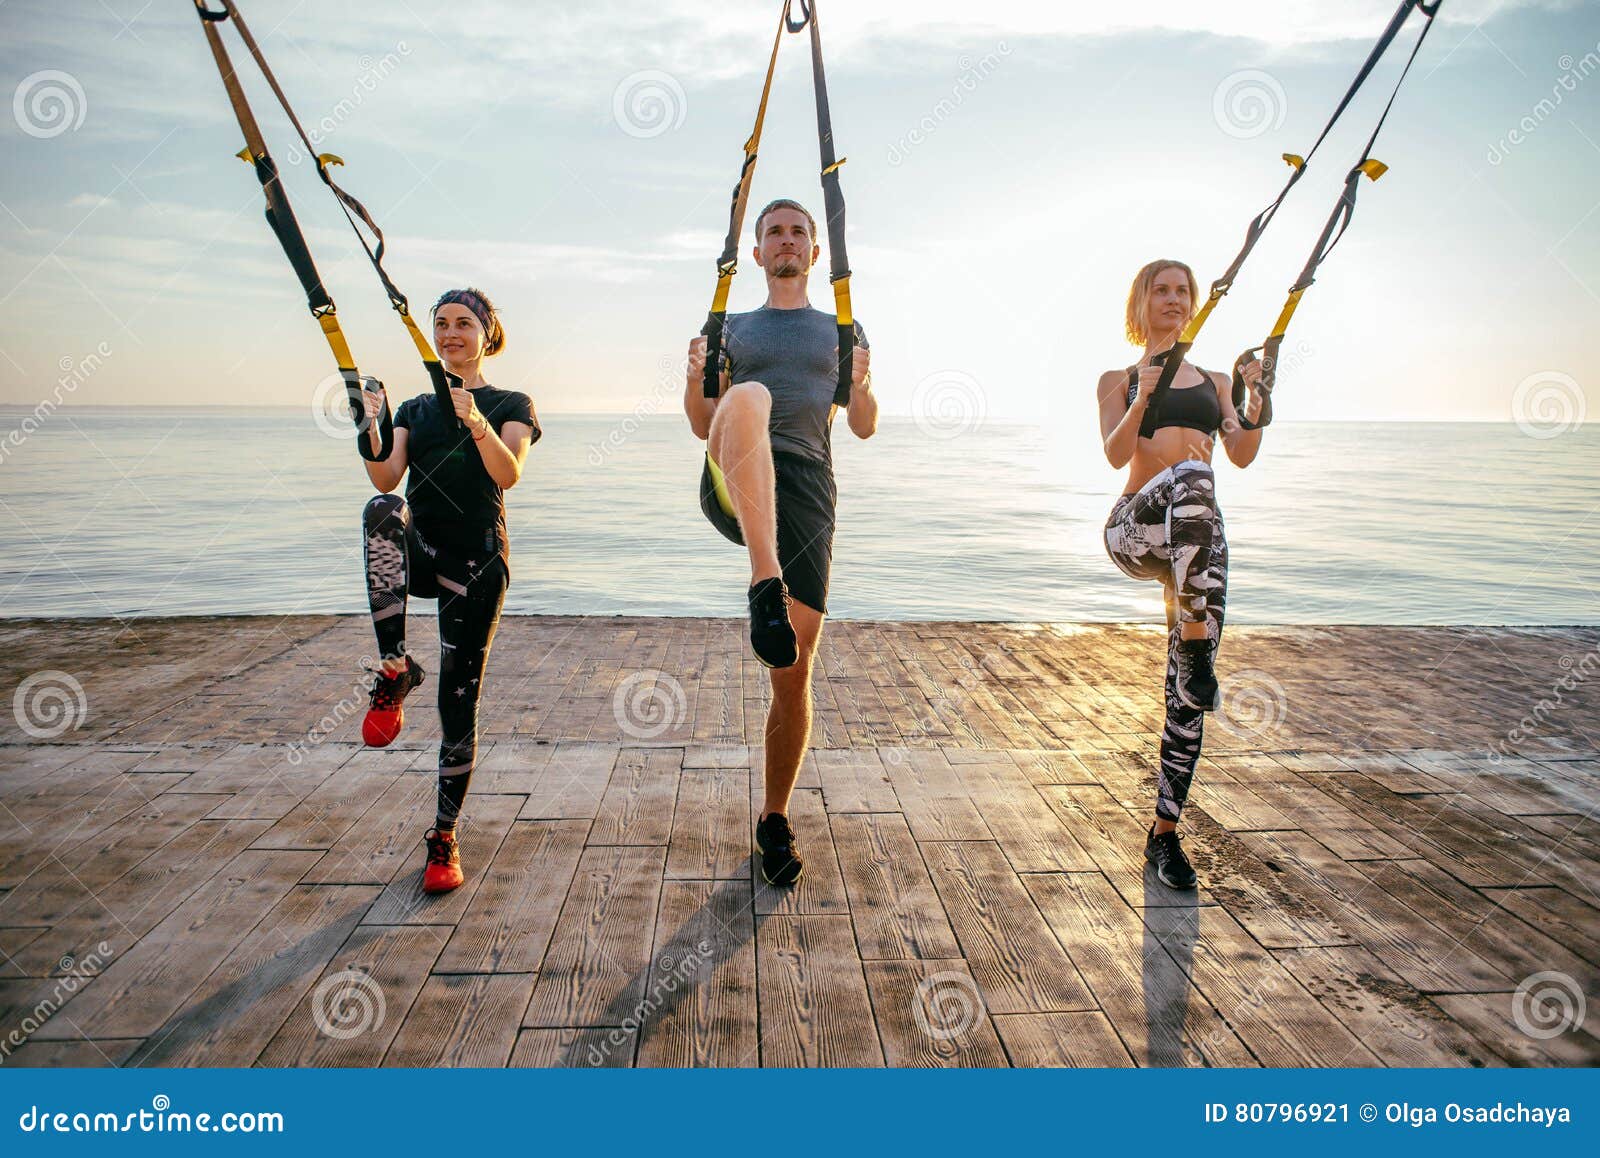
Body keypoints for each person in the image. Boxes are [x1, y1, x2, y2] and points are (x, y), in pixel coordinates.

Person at [683, 198, 876, 886]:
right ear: (758, 253)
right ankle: (764, 580)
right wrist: (696, 373)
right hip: (734, 470)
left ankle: (773, 816)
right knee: (748, 399)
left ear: (814, 253)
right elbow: (705, 417)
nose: (786, 240)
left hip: (808, 489)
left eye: (798, 231)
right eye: (774, 232)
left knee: (792, 671)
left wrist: (859, 382)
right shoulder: (731, 325)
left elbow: (863, 426)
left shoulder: (840, 330)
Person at [356, 287, 539, 893]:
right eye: (442, 324)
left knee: (457, 703)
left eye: (464, 323)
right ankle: (394, 665)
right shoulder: (415, 406)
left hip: (478, 562)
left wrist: (477, 421)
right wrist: (372, 423)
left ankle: (443, 836)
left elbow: (507, 473)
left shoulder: (512, 402)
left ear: (488, 333)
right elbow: (387, 473)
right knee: (382, 507)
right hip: (424, 550)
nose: (451, 333)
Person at [1096, 259, 1268, 889]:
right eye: (1160, 290)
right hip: (1135, 527)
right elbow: (1115, 452)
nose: (1173, 298)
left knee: (1187, 697)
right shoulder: (1117, 378)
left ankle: (1164, 834)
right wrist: (1142, 392)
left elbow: (1241, 451)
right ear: (1139, 304)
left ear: (1194, 304)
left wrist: (1255, 397)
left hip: (1195, 548)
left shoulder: (1217, 381)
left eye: (1182, 291)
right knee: (1195, 477)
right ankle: (1195, 642)